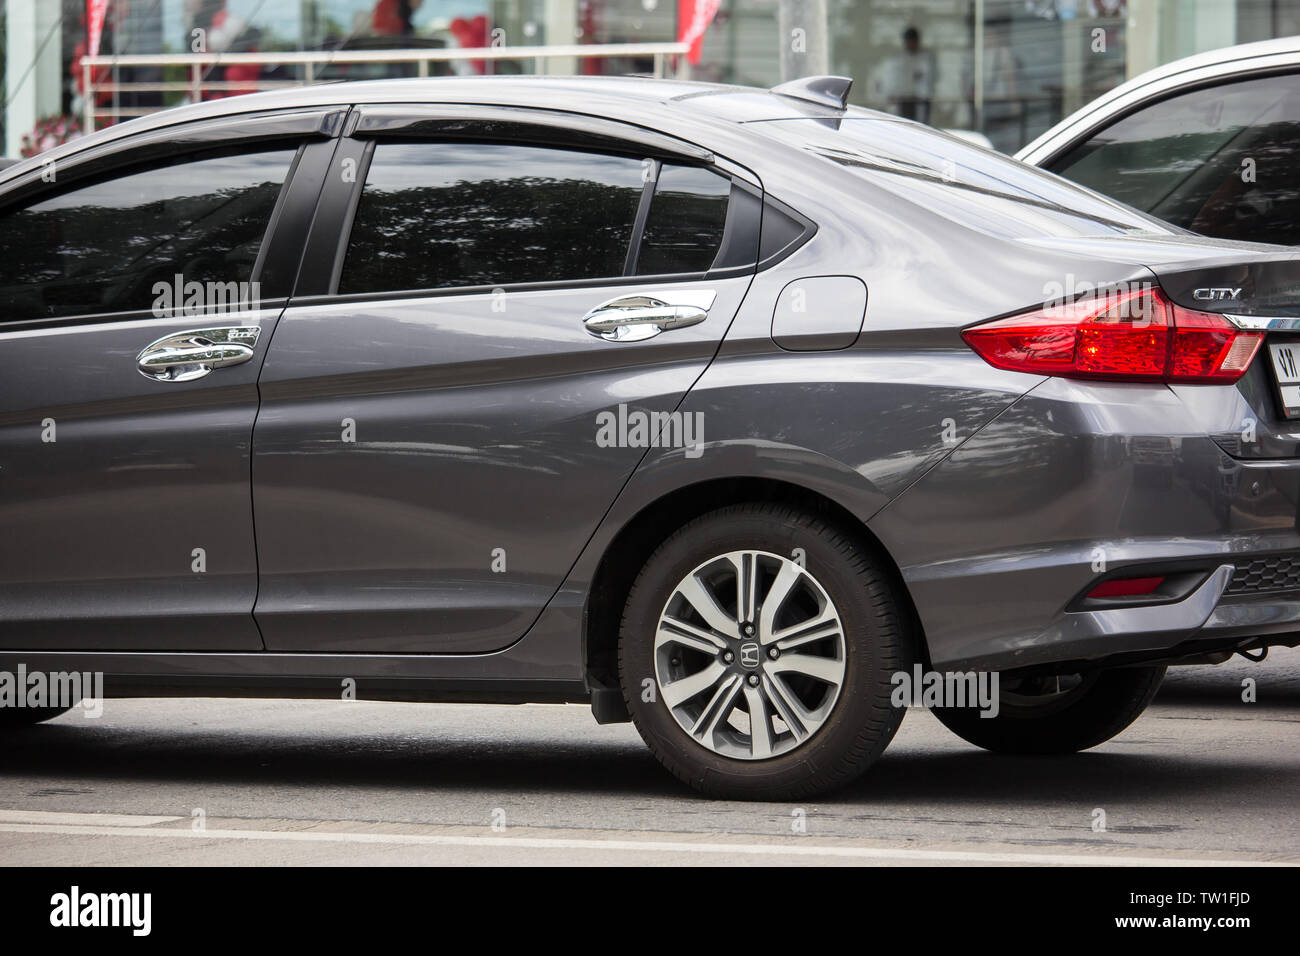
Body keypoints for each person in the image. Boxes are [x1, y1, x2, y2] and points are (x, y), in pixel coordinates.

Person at [870, 26, 936, 124]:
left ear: (917, 41)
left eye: (913, 41)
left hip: (921, 100)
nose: (911, 44)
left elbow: (931, 79)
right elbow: (891, 81)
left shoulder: (926, 58)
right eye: (908, 41)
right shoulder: (898, 60)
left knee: (922, 127)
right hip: (904, 100)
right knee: (905, 125)